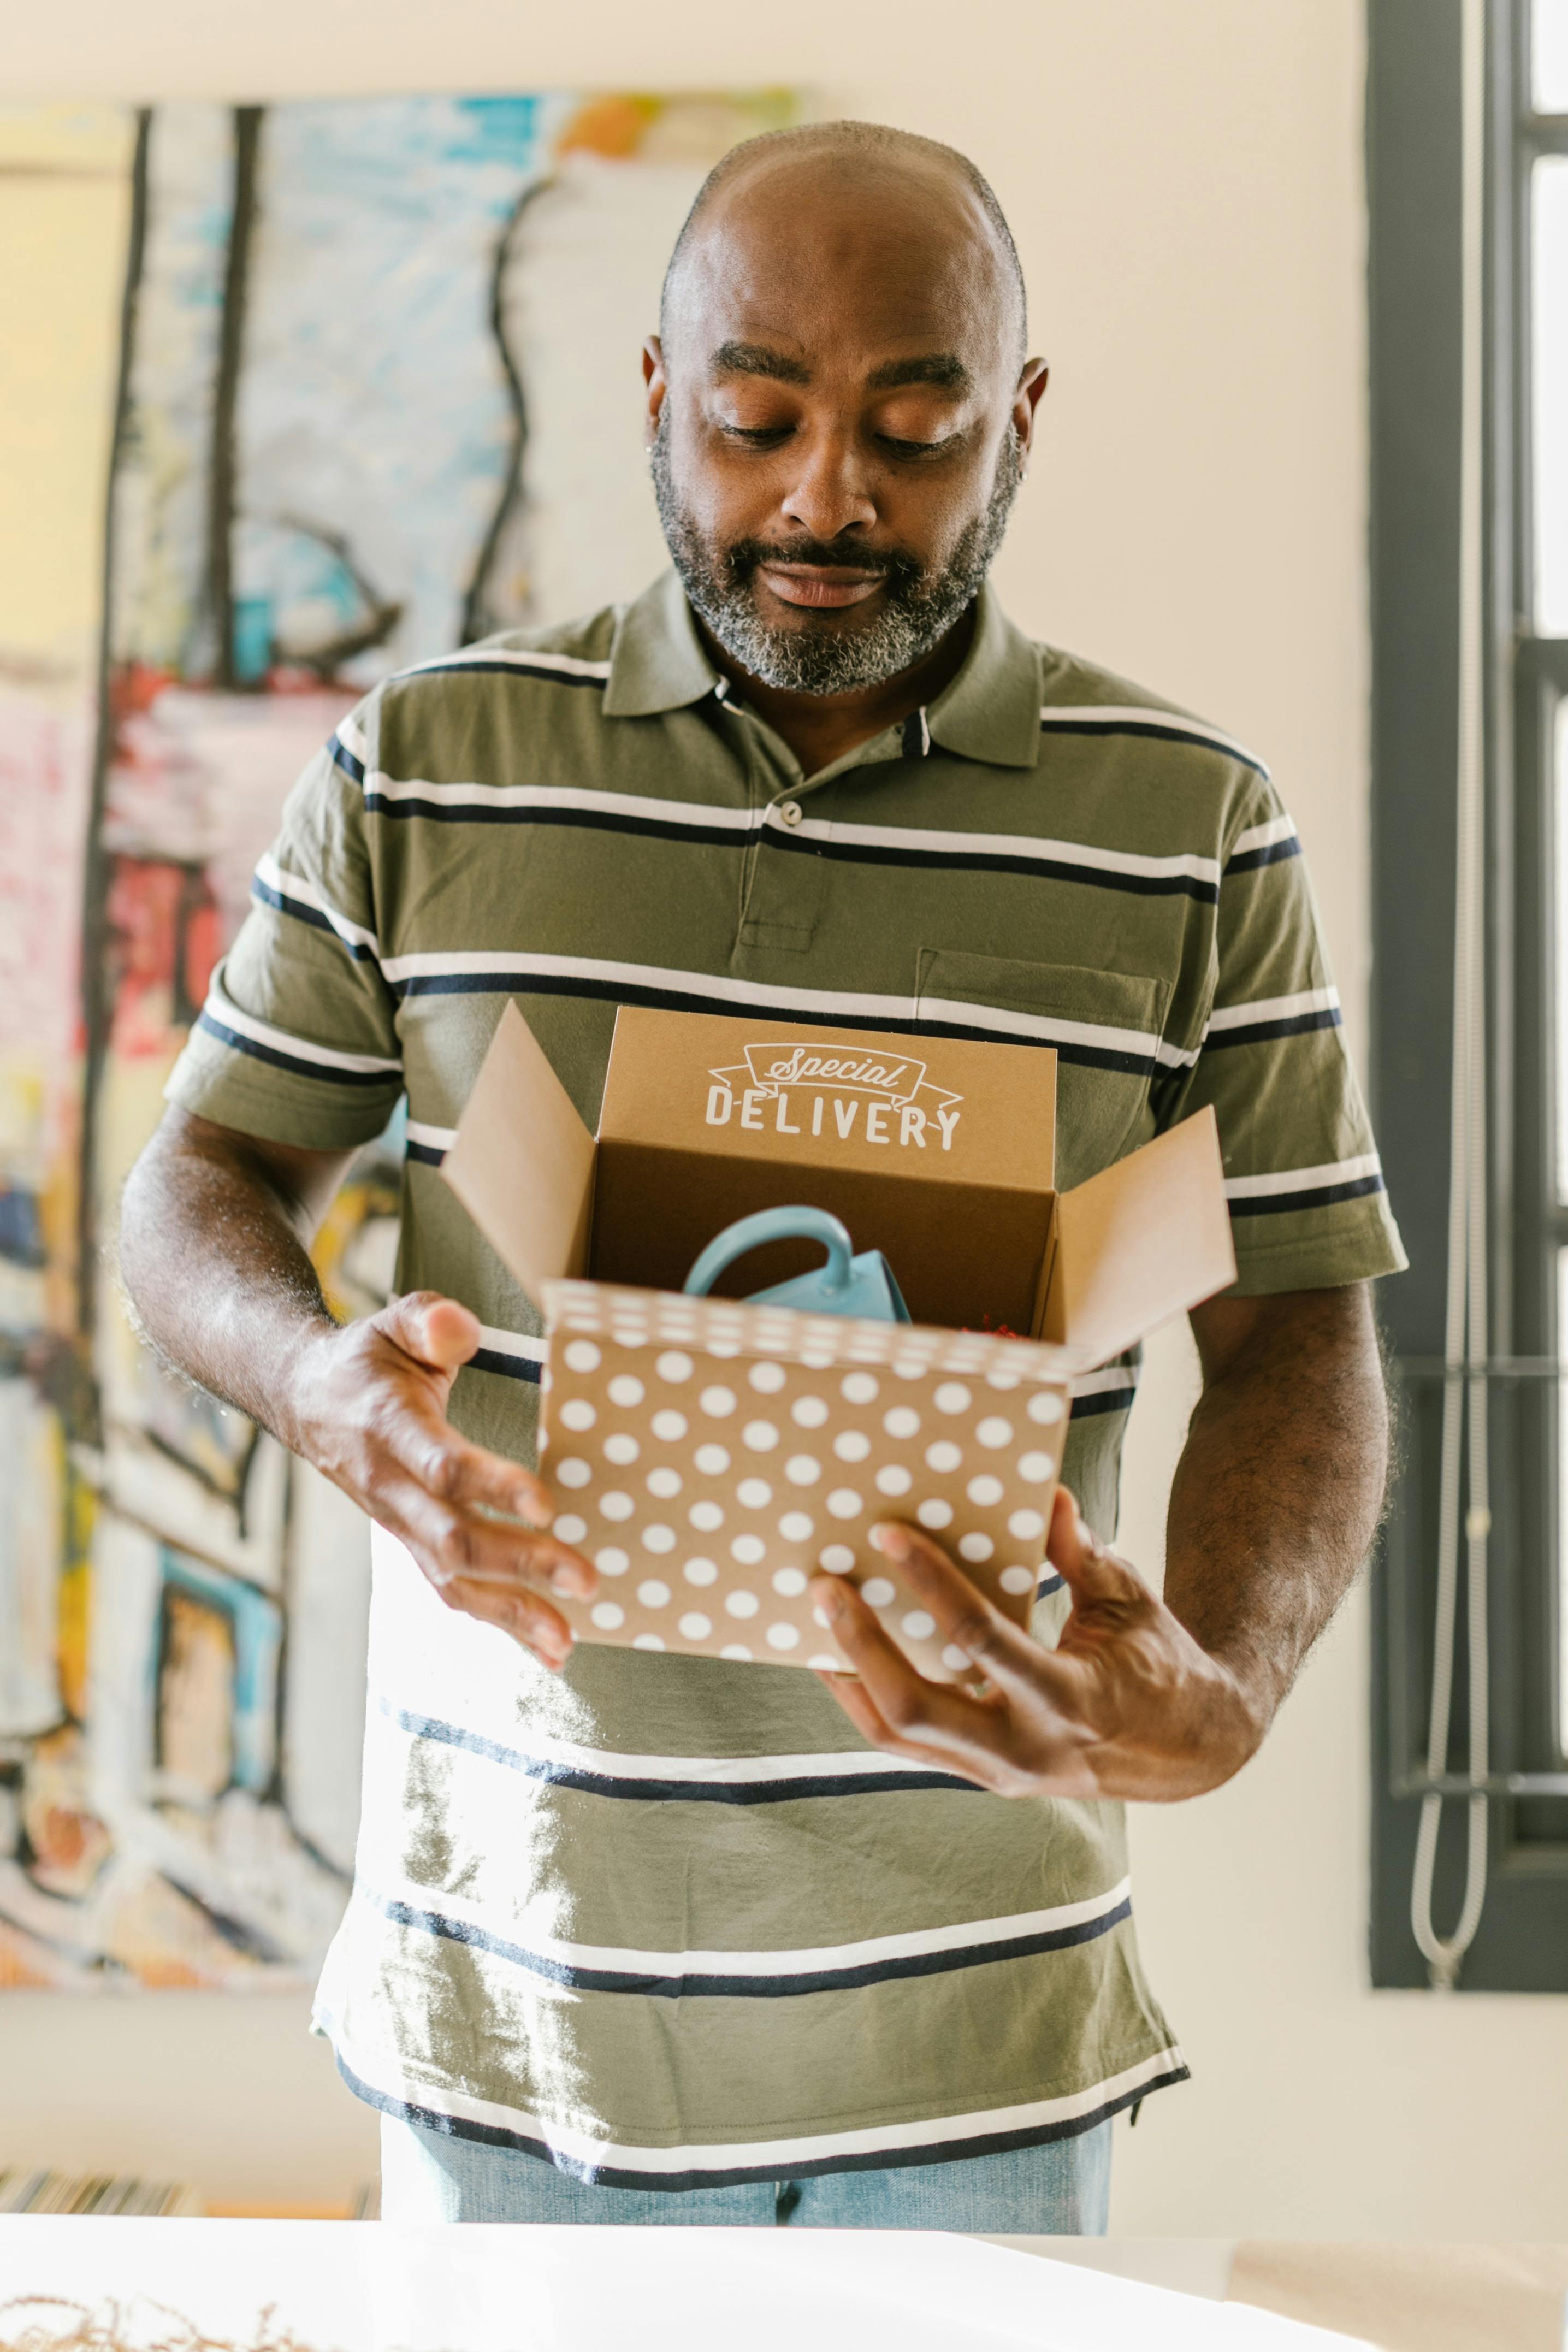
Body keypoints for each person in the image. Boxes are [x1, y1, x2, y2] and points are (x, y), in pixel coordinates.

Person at [119, 121, 1404, 2231]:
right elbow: (203, 1180)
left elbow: (1298, 1330)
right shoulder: (432, 761)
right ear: (655, 394)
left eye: (918, 428)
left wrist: (1227, 1685)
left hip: (975, 2050)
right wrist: (312, 1379)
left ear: (1020, 419)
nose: (828, 495)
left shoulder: (1191, 827)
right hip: (504, 2029)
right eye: (754, 418)